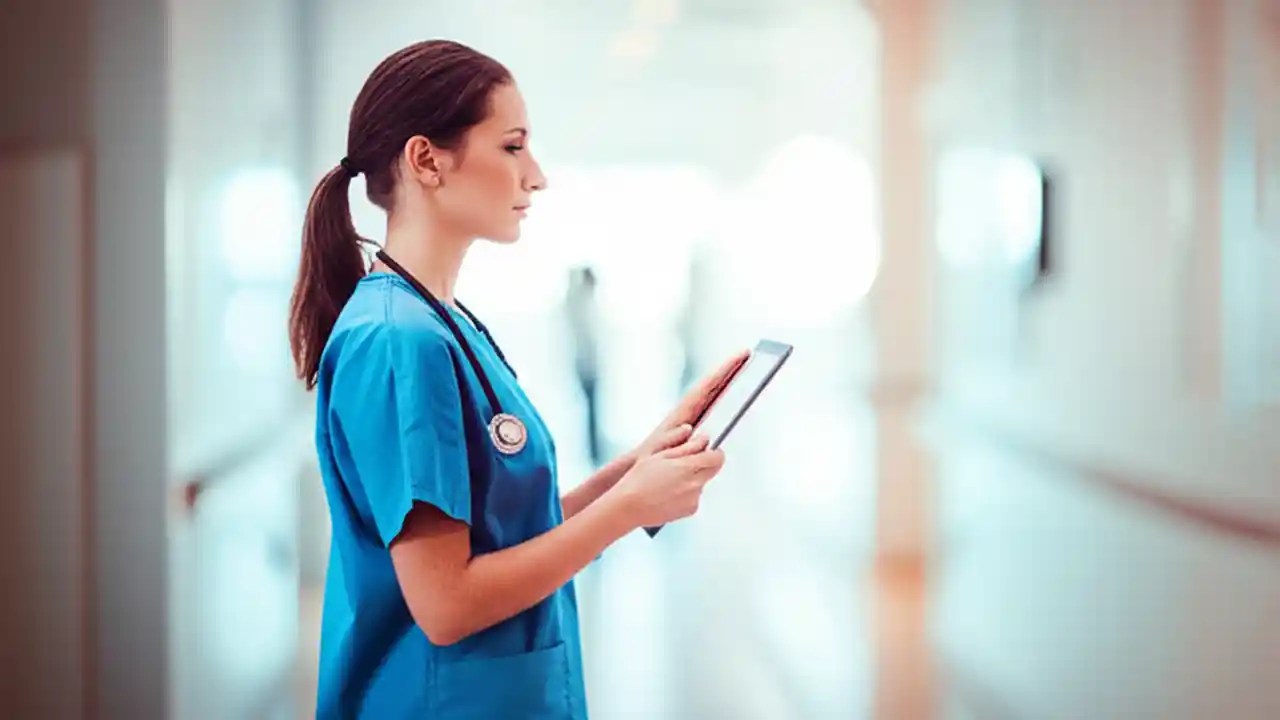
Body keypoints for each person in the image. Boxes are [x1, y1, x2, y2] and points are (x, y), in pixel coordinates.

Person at [287, 39, 747, 719]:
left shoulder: (442, 322)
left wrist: (636, 467)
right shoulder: (397, 341)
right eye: (512, 147)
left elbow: (506, 531)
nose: (536, 177)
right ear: (426, 160)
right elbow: (446, 604)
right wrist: (627, 509)